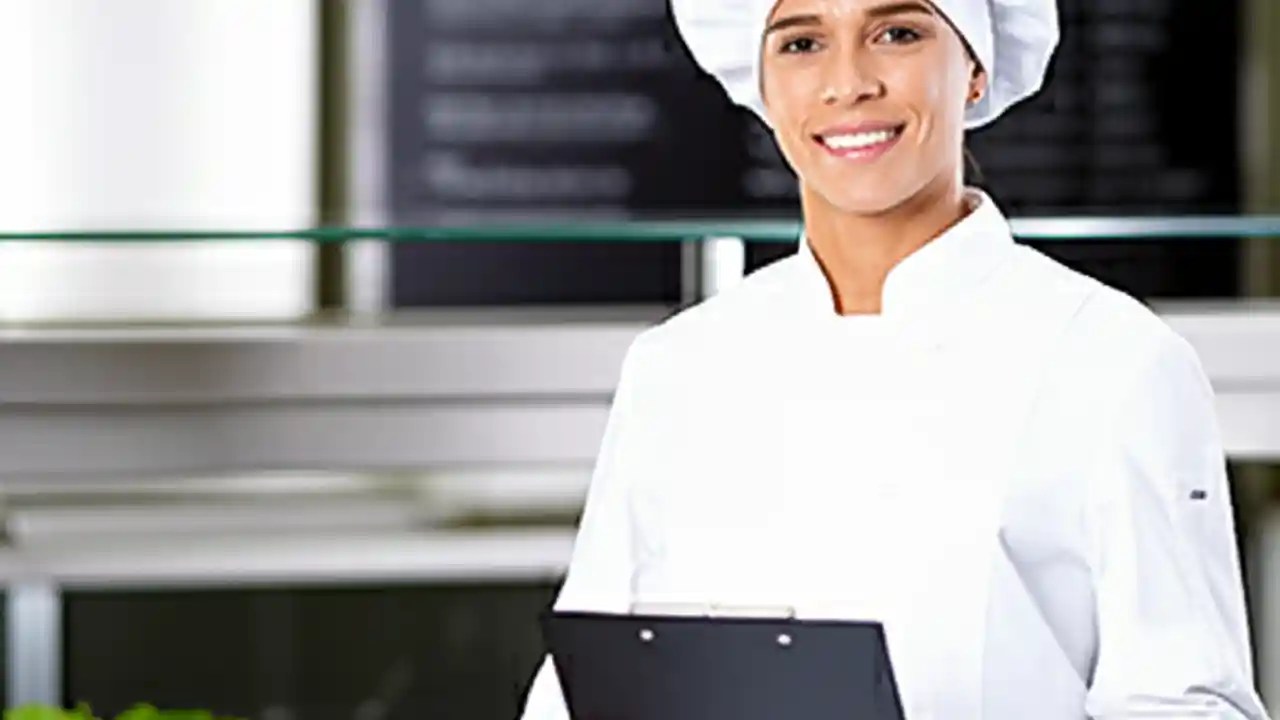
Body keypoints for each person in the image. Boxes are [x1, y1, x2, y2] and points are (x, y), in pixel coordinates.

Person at [518, 0, 1272, 717]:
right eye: (802, 43)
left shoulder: (1113, 361)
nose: (848, 82)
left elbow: (1180, 704)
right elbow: (584, 692)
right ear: (761, 83)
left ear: (975, 67)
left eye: (897, 33)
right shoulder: (678, 368)